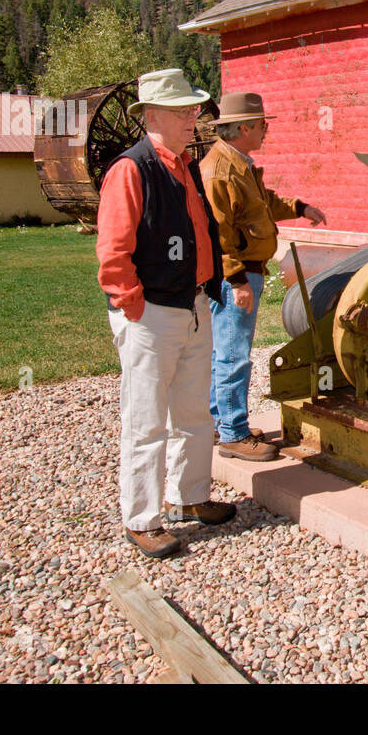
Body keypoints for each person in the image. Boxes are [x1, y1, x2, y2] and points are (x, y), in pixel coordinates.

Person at [96, 68, 238, 559]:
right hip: (153, 312)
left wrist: (209, 288)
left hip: (193, 304)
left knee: (195, 413)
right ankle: (142, 518)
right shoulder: (131, 169)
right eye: (182, 112)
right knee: (146, 420)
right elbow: (113, 254)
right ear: (151, 115)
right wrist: (134, 306)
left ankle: (192, 497)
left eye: (194, 110)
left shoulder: (185, 166)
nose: (192, 120)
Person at [200, 91, 326, 458]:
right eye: (260, 125)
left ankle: (223, 423)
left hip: (245, 274)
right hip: (236, 277)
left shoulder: (238, 164)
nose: (265, 131)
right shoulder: (220, 171)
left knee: (227, 352)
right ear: (242, 128)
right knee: (233, 355)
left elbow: (263, 204)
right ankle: (233, 435)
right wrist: (237, 280)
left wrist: (300, 208)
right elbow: (217, 234)